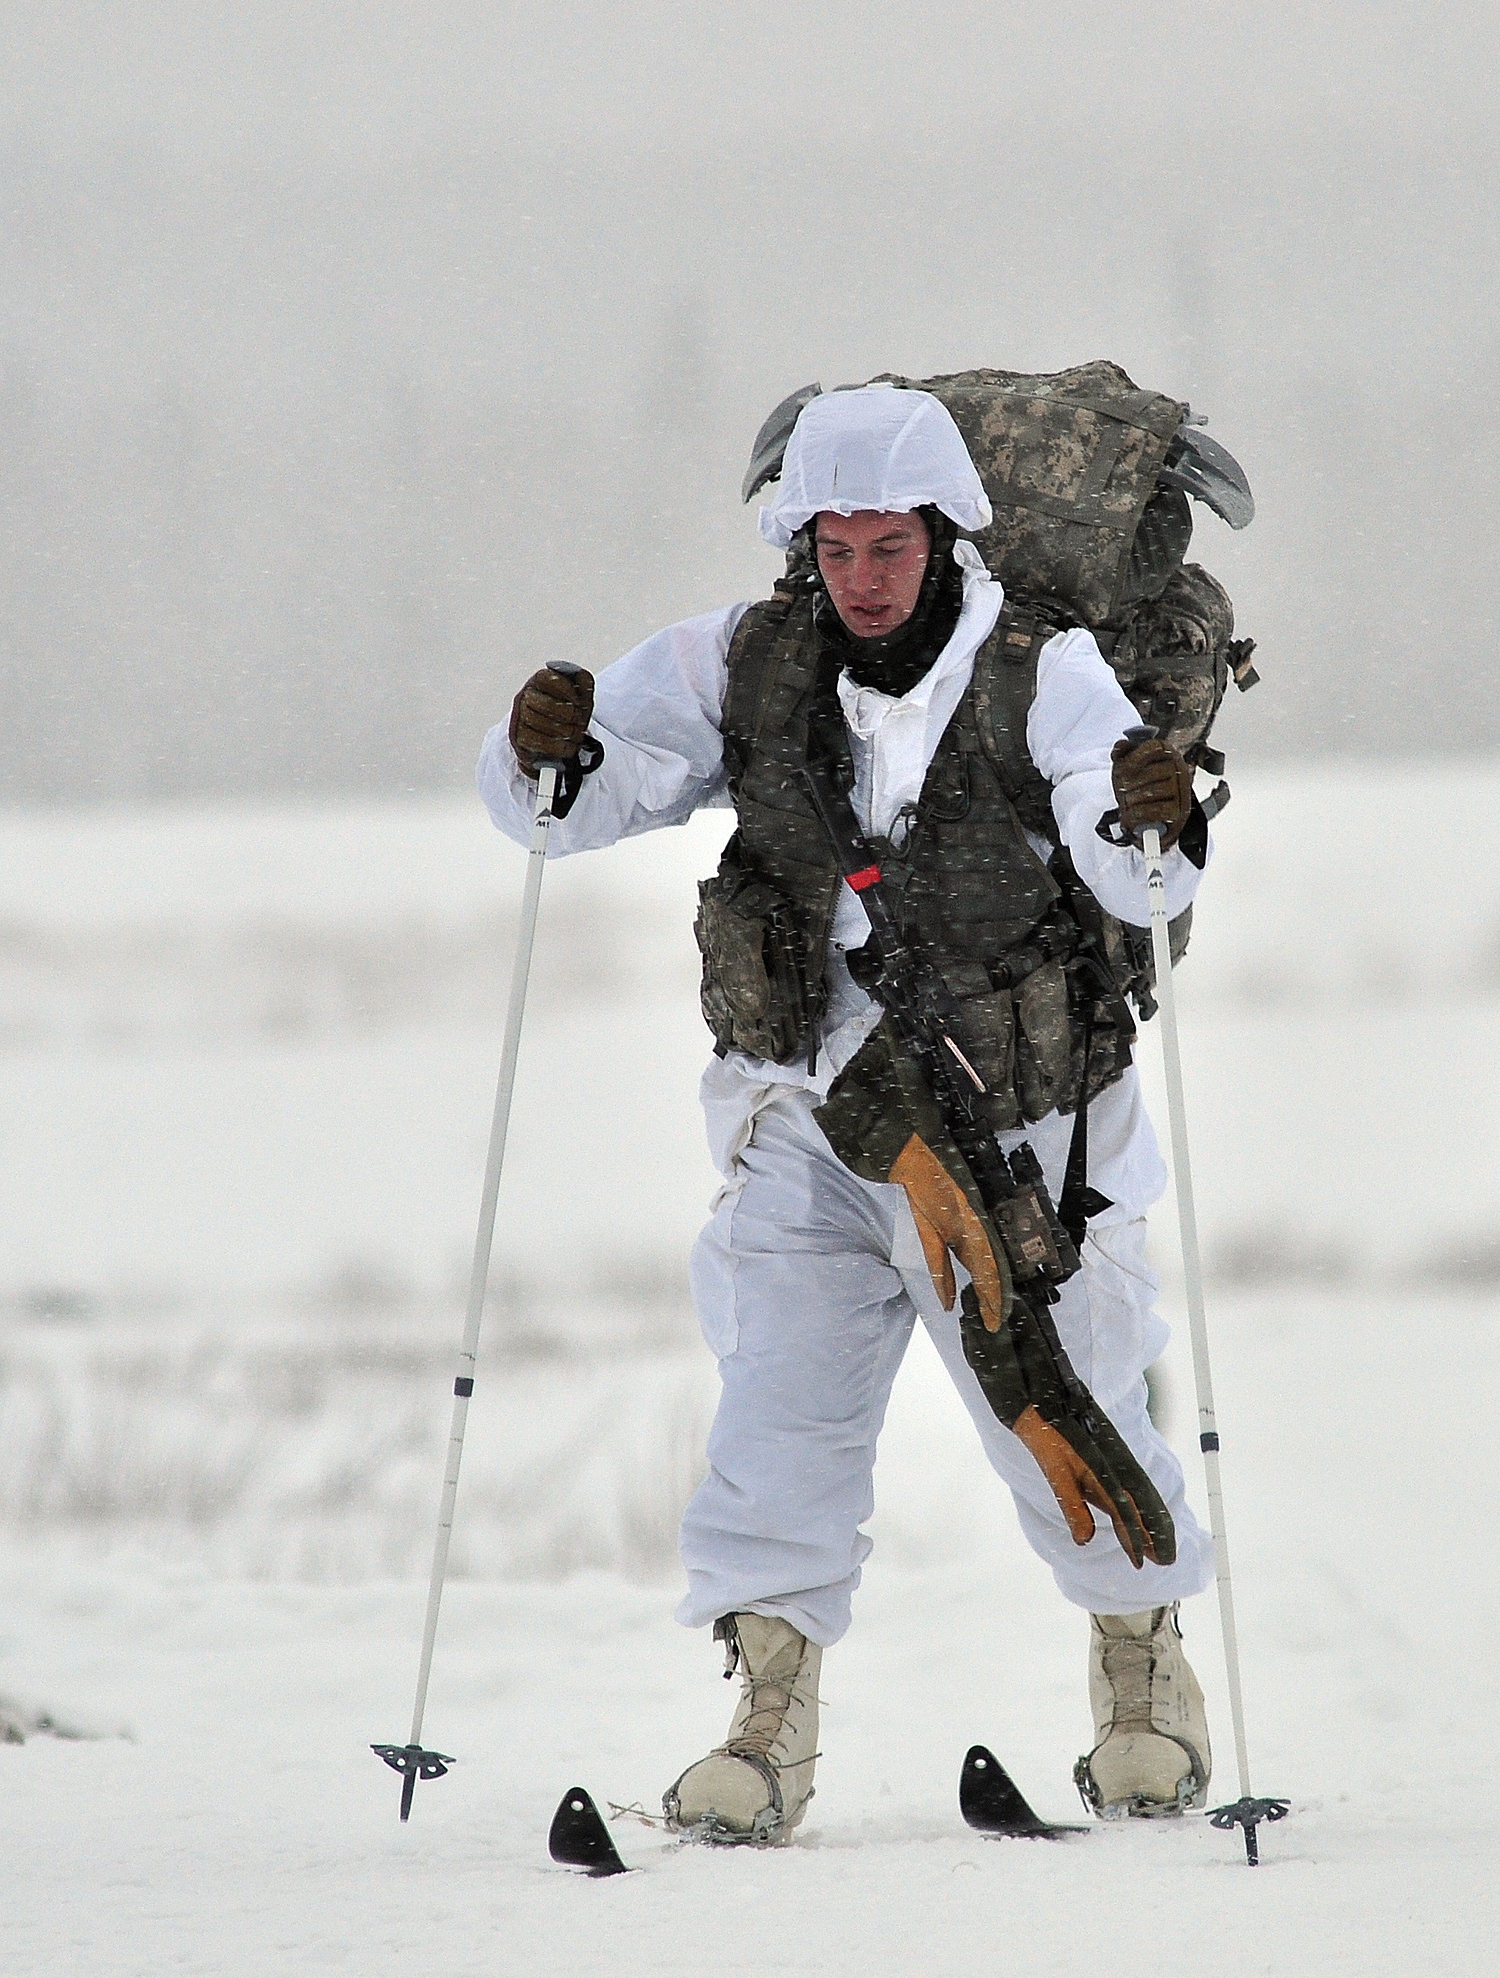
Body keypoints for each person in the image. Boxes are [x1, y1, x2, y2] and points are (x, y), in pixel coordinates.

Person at [479, 385, 1216, 1845]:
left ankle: (1143, 1696)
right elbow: (579, 801)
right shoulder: (740, 660)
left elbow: (1133, 862)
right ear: (802, 543)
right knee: (776, 1416)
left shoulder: (1048, 670)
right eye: (837, 547)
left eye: (890, 546)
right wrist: (542, 751)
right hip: (804, 1114)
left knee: (1062, 1401)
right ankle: (764, 1732)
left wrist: (1149, 812)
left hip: (1019, 1134)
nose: (862, 576)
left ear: (945, 538)